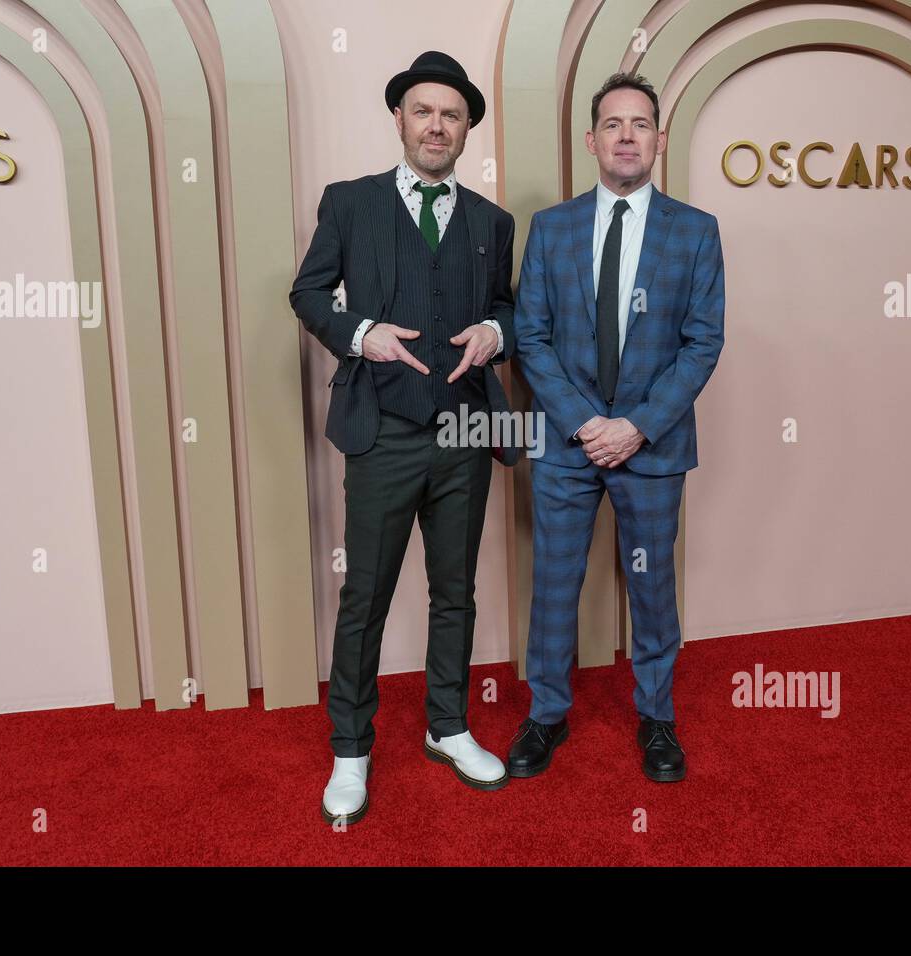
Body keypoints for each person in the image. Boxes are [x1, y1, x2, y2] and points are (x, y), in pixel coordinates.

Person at [290, 51, 518, 825]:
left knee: (456, 592)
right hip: (381, 431)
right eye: (423, 111)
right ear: (399, 118)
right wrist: (361, 333)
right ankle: (351, 748)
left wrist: (494, 330)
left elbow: (510, 310)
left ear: (465, 132)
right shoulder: (350, 203)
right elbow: (307, 291)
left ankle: (448, 727)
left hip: (465, 428)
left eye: (451, 115)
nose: (436, 125)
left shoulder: (492, 222)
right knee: (366, 600)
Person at [507, 71, 725, 783]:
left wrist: (634, 426)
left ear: (659, 140)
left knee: (652, 587)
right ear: (592, 139)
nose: (626, 136)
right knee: (555, 584)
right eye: (613, 124)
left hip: (652, 448)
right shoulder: (553, 228)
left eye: (639, 125)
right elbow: (531, 338)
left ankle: (656, 717)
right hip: (569, 447)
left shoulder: (696, 232)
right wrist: (585, 424)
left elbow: (702, 342)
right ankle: (546, 714)